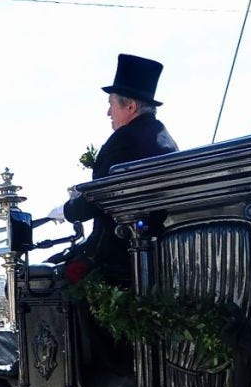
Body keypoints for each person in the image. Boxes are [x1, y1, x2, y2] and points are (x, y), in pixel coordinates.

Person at [52, 54, 179, 286]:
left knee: (46, 280)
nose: (108, 113)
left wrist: (66, 210)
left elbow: (102, 197)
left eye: (111, 105)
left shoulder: (125, 140)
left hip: (121, 258)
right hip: (160, 249)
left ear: (130, 105)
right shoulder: (164, 139)